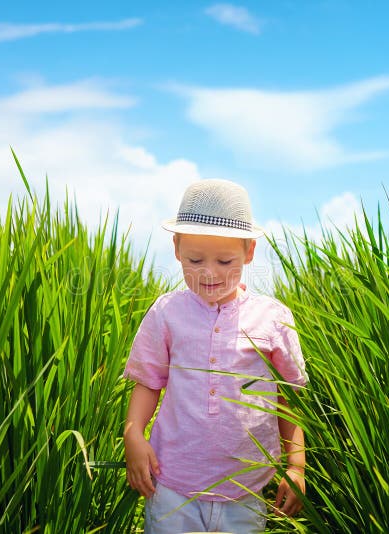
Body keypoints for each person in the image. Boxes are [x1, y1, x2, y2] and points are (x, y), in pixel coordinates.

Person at [123, 179, 308, 533]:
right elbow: (148, 383)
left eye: (225, 261)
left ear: (249, 252)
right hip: (172, 485)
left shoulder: (272, 318)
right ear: (176, 248)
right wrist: (133, 434)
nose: (209, 272)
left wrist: (295, 465)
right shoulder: (166, 313)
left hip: (245, 490)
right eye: (195, 259)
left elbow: (288, 397)